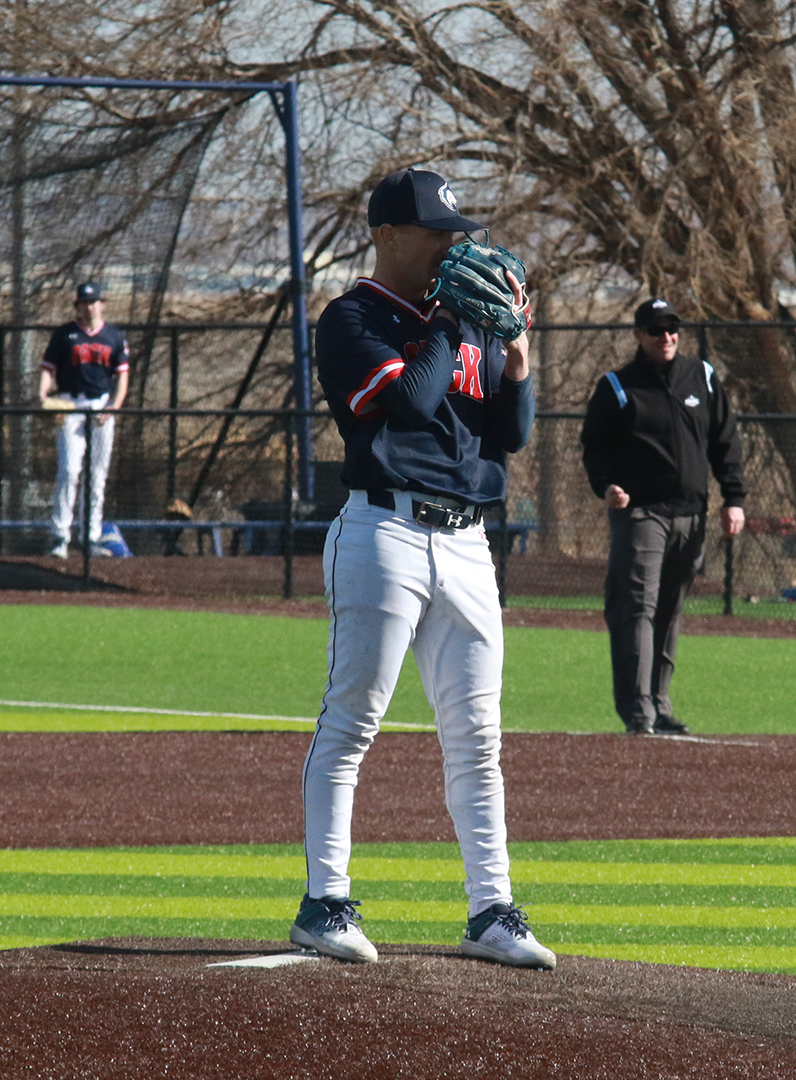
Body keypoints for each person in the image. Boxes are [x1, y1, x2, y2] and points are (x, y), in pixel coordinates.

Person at [293, 167, 554, 969]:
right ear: (388, 235)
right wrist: (447, 322)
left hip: (470, 542)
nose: (453, 245)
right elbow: (407, 404)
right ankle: (325, 903)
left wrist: (516, 353)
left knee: (478, 738)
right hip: (384, 533)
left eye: (456, 233)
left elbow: (508, 433)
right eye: (438, 233)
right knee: (352, 723)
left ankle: (491, 911)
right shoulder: (351, 318)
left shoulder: (469, 320)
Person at [580, 298, 746, 735]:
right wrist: (607, 485)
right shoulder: (618, 386)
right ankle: (639, 712)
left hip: (691, 515)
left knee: (669, 611)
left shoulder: (702, 378)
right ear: (638, 336)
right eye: (656, 330)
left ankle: (659, 703)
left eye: (672, 329)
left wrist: (734, 498)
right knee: (636, 608)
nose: (666, 337)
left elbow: (725, 441)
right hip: (641, 515)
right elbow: (594, 446)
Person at [38, 282, 129, 558]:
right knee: (69, 470)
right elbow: (47, 368)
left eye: (94, 301)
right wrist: (42, 395)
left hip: (101, 405)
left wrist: (114, 407)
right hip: (70, 404)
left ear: (102, 304)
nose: (89, 307)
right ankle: (60, 536)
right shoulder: (64, 335)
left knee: (97, 474)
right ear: (76, 305)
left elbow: (122, 376)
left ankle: (90, 536)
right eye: (84, 302)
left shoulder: (114, 335)